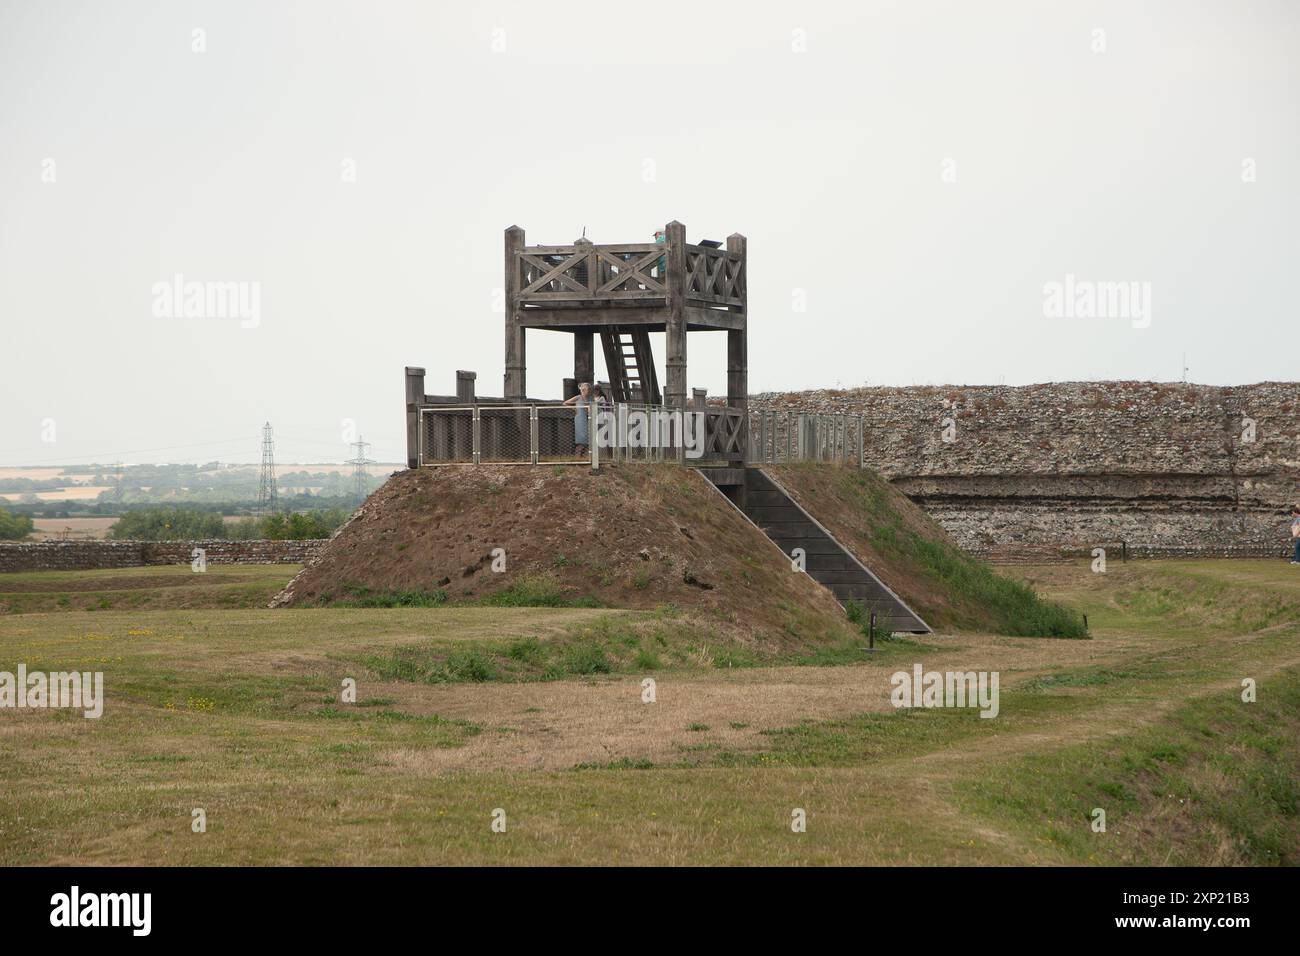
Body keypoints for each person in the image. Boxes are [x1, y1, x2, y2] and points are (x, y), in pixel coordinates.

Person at [565, 382, 593, 455]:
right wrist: (574, 408)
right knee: (581, 440)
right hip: (580, 419)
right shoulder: (578, 397)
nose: (589, 391)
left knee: (588, 440)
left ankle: (584, 457)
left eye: (589, 389)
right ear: (583, 390)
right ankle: (577, 457)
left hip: (588, 419)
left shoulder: (590, 398)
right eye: (588, 389)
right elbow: (565, 403)